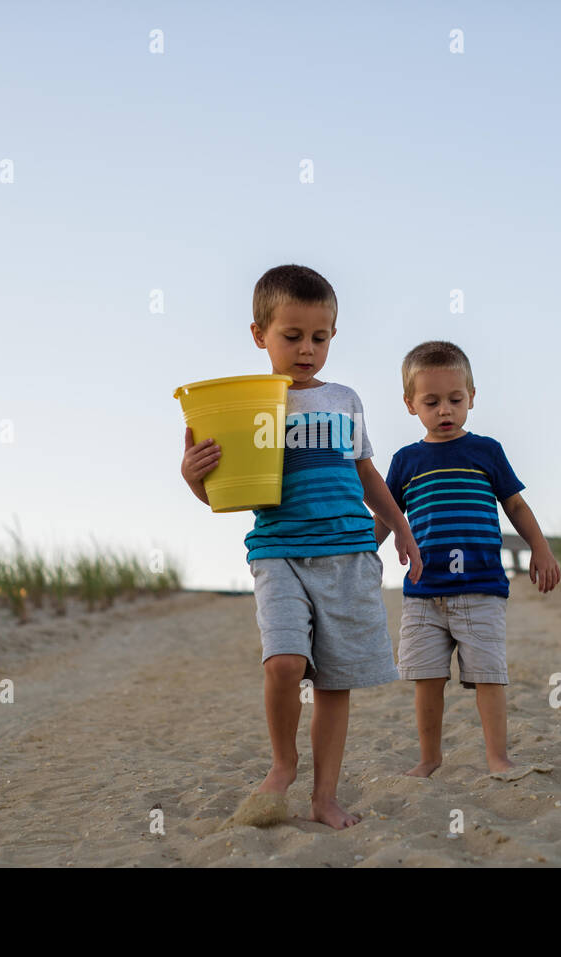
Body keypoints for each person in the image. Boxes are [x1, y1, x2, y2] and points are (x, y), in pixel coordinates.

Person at [180, 264, 422, 828]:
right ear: (260, 334)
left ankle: (324, 797)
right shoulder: (246, 404)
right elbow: (224, 493)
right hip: (278, 551)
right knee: (285, 663)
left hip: (349, 553)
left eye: (321, 337)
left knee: (336, 683)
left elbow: (367, 474)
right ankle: (283, 765)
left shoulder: (344, 398)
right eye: (293, 336)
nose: (307, 349)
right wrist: (194, 476)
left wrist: (401, 528)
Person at [375, 340, 561, 778]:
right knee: (426, 679)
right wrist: (363, 553)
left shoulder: (486, 451)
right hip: (423, 593)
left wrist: (541, 547)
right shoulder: (407, 460)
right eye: (431, 402)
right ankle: (429, 759)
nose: (445, 411)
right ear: (410, 405)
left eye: (455, 400)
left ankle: (498, 757)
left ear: (471, 398)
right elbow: (387, 513)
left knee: (490, 676)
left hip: (481, 589)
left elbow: (515, 506)